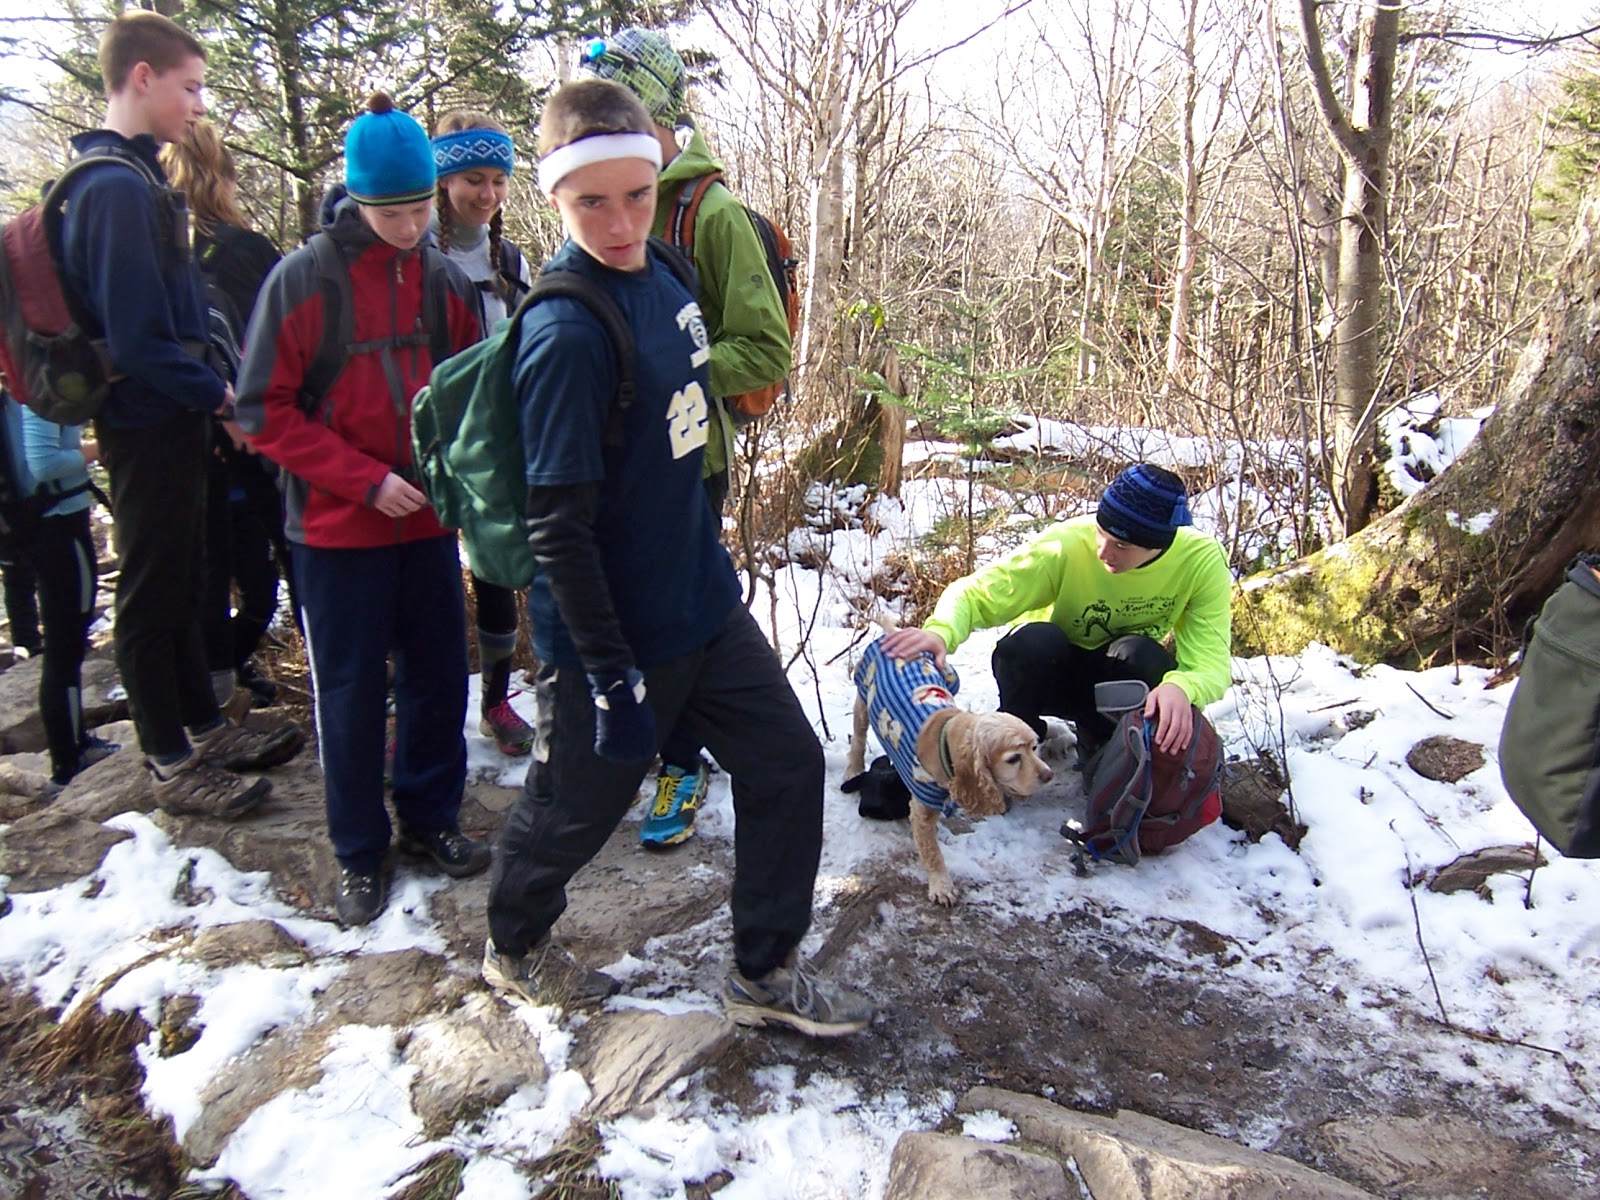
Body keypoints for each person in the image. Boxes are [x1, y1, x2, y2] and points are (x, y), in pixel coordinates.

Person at [482, 78, 872, 1038]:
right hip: (615, 637)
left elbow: (686, 432)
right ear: (554, 199)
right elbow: (556, 528)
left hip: (700, 603)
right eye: (590, 202)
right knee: (577, 808)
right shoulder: (565, 333)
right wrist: (608, 676)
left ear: (660, 177)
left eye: (636, 194)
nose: (618, 222)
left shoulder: (663, 272)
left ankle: (762, 973)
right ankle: (515, 945)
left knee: (786, 764)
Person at [236, 92, 490, 927]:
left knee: (438, 676)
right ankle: (356, 850)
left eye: (421, 207)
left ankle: (430, 818)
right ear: (358, 201)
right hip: (336, 530)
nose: (413, 225)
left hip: (425, 523)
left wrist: (460, 482)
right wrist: (363, 479)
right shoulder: (302, 282)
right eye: (394, 211)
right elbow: (260, 411)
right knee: (348, 691)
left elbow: (467, 396)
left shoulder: (444, 281)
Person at [55, 10, 302, 820]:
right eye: (190, 87)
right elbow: (136, 336)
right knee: (155, 585)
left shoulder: (133, 179)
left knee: (192, 572)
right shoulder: (113, 191)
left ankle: (202, 723)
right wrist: (219, 397)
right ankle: (167, 758)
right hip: (147, 418)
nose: (198, 105)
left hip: (174, 416)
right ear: (141, 79)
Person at [580, 27, 792, 848]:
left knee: (682, 621)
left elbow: (765, 347)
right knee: (627, 613)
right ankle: (639, 750)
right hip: (614, 460)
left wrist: (670, 364)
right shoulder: (604, 195)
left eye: (629, 109)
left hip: (689, 460)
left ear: (660, 112)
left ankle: (683, 760)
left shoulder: (713, 212)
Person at [881, 464, 1232, 759]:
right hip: (1048, 673)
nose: (1102, 551)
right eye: (1100, 532)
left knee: (1142, 656)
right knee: (1032, 641)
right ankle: (1020, 733)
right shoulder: (1066, 543)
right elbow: (978, 591)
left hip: (1115, 686)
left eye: (1121, 545)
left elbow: (1211, 664)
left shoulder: (1200, 561)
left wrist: (1183, 687)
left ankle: (1109, 743)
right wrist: (940, 631)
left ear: (1160, 546)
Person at [159, 121, 289, 714]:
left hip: (186, 433)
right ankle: (349, 685)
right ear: (224, 174)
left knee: (208, 571)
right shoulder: (248, 251)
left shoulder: (162, 255)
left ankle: (210, 702)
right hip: (254, 430)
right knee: (291, 557)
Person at [430, 110, 535, 758]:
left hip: (492, 444)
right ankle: (413, 710)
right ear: (441, 178)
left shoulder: (512, 259)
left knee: (495, 576)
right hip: (433, 440)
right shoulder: (418, 252)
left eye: (498, 180)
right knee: (425, 586)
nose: (487, 194)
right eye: (473, 177)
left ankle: (495, 698)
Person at [8, 393, 120, 788]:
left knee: (66, 641)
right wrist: (99, 449)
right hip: (57, 526)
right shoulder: (34, 396)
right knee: (66, 644)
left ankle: (72, 747)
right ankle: (69, 757)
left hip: (50, 524)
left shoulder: (22, 392)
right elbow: (44, 464)